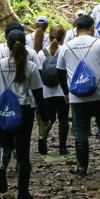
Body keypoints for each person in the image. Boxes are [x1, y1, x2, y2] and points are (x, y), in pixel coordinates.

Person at [56, 14, 100, 175]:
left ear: (76, 29)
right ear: (92, 27)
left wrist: (66, 93)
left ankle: (82, 166)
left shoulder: (66, 47)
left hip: (77, 96)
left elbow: (60, 73)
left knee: (80, 129)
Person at [0, 28, 50, 199]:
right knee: (23, 152)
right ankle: (23, 192)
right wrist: (45, 118)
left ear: (7, 45)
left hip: (1, 112)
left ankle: (1, 166)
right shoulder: (30, 67)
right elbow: (38, 95)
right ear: (25, 45)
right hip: (23, 112)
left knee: (4, 143)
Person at [38, 26, 69, 155]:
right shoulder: (65, 51)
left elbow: (39, 74)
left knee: (49, 119)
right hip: (62, 92)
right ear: (63, 38)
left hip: (47, 93)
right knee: (63, 120)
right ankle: (62, 147)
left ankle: (43, 138)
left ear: (49, 37)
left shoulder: (41, 53)